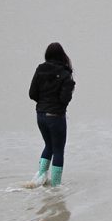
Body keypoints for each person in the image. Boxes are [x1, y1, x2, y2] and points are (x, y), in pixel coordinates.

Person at [29, 42, 75, 186]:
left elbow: (32, 94)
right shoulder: (65, 74)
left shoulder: (40, 69)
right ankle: (55, 186)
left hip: (40, 115)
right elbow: (64, 98)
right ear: (62, 55)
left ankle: (40, 178)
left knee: (48, 145)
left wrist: (43, 103)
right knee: (58, 150)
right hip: (56, 117)